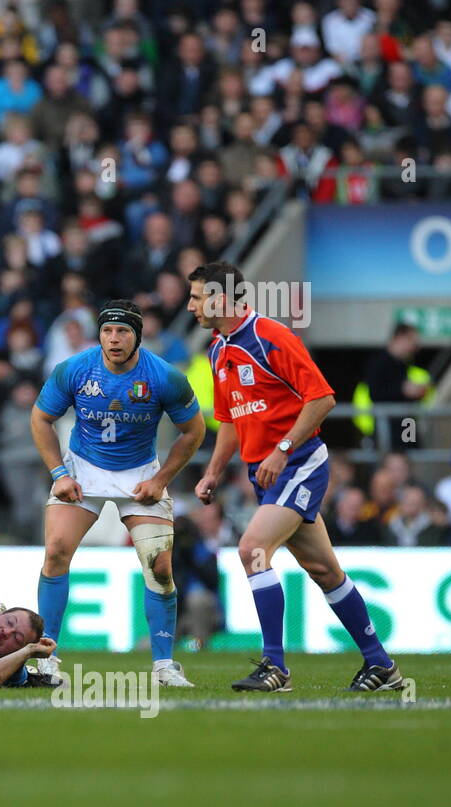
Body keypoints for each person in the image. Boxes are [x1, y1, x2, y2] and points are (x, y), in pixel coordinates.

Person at [189, 261, 404, 692]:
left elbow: (322, 398)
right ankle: (381, 665)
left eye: (197, 296)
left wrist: (283, 449)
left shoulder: (270, 336)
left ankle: (274, 666)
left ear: (220, 297)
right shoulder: (218, 350)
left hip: (298, 461)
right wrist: (213, 471)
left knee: (252, 549)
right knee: (325, 570)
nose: (191, 305)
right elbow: (229, 420)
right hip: (264, 471)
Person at [31, 299, 206, 687]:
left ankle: (164, 666)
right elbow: (41, 418)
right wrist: (58, 472)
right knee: (56, 551)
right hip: (82, 469)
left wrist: (160, 480)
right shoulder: (75, 369)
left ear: (138, 336)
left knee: (159, 566)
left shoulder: (164, 376)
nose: (114, 338)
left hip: (140, 474)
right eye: (108, 331)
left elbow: (194, 431)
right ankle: (47, 658)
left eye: (123, 331)